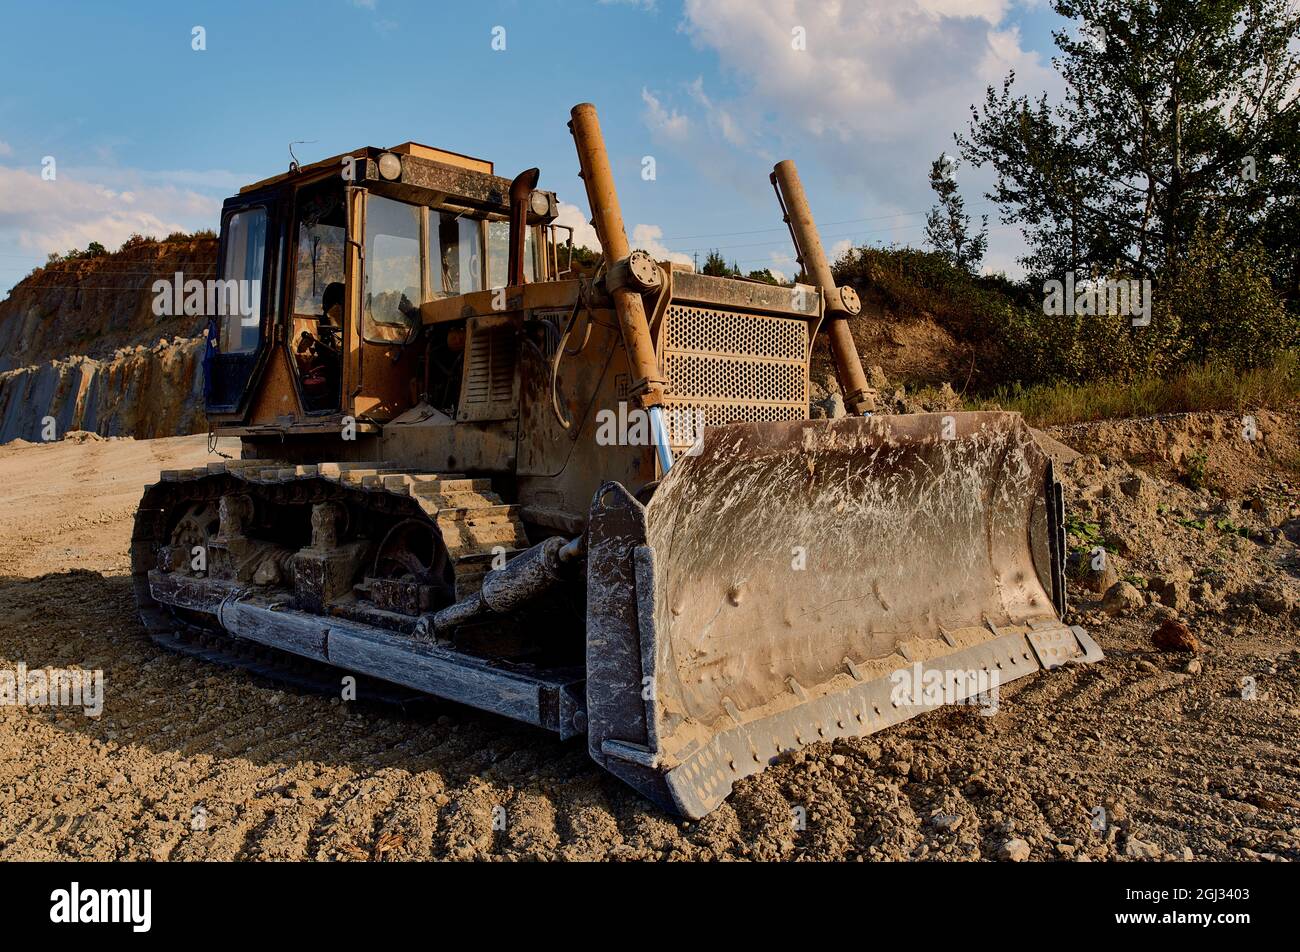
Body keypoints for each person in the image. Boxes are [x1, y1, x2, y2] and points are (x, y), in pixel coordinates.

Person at [297, 282, 344, 409]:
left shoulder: (352, 328)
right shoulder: (319, 329)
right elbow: (302, 350)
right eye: (337, 306)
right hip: (330, 372)